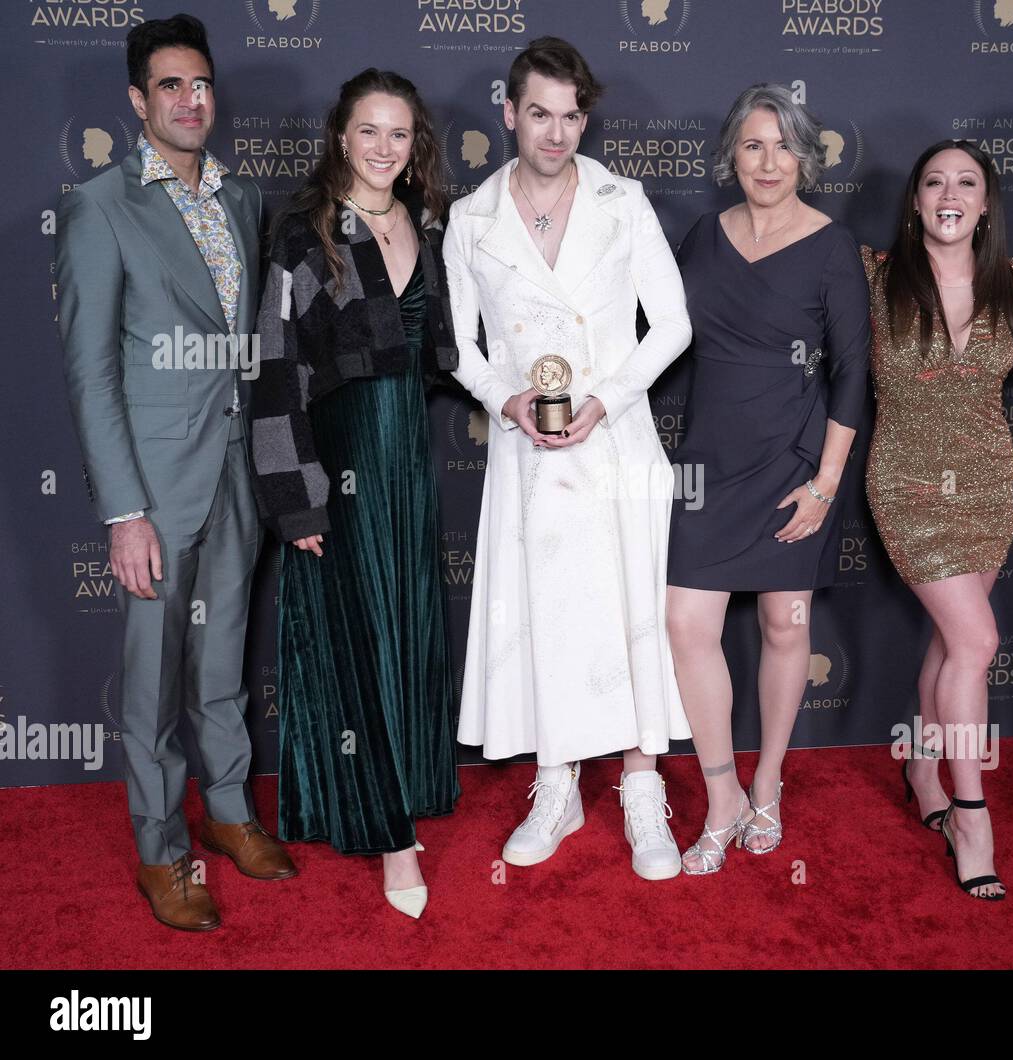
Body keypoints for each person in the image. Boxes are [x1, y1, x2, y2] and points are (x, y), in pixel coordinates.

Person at [55, 14, 295, 932]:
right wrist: (124, 511)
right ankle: (162, 850)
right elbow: (90, 370)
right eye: (170, 87)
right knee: (152, 680)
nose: (191, 101)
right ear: (135, 101)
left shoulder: (240, 199)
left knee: (224, 657)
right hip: (154, 486)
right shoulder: (100, 205)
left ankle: (229, 812)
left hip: (237, 468)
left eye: (200, 84)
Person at [443, 37, 692, 880]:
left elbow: (674, 324)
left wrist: (606, 400)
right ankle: (557, 785)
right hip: (528, 451)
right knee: (544, 613)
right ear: (508, 112)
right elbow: (454, 344)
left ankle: (642, 785)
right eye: (539, 114)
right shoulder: (471, 219)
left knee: (632, 615)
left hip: (615, 440)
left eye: (572, 115)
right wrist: (503, 399)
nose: (556, 133)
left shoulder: (625, 201)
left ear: (587, 116)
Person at [249, 69, 460, 919]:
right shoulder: (305, 231)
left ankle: (402, 785)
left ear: (417, 146)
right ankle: (390, 837)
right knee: (360, 636)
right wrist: (299, 500)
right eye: (368, 131)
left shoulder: (427, 223)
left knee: (403, 624)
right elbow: (274, 374)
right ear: (341, 135)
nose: (383, 148)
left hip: (406, 457)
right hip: (338, 465)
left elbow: (442, 349)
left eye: (399, 134)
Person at [665, 84, 869, 874]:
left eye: (784, 145)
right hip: (707, 465)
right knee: (688, 626)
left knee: (786, 626)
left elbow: (853, 373)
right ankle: (721, 797)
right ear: (732, 157)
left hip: (793, 464)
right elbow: (653, 333)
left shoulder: (831, 245)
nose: (768, 161)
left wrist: (824, 483)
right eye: (753, 145)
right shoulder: (701, 237)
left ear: (805, 159)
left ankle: (769, 783)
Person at [862, 141, 1013, 901]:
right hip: (906, 482)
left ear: (987, 202)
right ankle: (972, 815)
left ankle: (922, 767)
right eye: (934, 181)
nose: (950, 192)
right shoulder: (874, 278)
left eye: (967, 181)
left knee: (950, 643)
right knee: (977, 641)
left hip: (991, 486)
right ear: (915, 201)